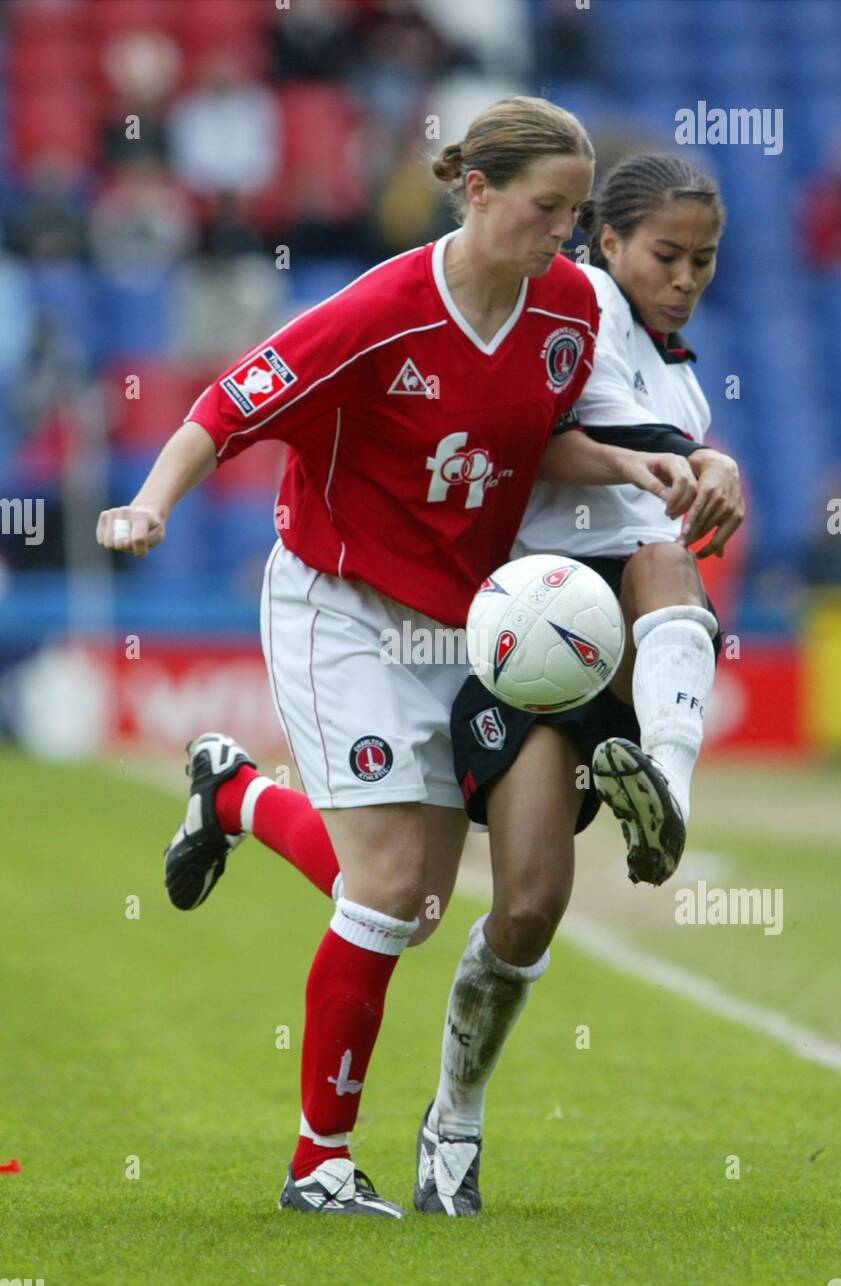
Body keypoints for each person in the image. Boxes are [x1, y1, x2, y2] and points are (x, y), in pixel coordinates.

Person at [95, 98, 699, 1220]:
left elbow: (526, 436)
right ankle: (318, 1162)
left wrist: (630, 465)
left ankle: (234, 793)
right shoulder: (377, 311)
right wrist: (145, 505)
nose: (564, 237)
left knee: (411, 908)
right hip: (339, 600)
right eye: (544, 209)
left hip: (459, 619)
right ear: (474, 191)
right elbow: (222, 410)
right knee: (381, 891)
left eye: (575, 213)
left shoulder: (564, 306)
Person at [416, 152, 746, 1216]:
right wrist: (705, 462)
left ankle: (668, 799)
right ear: (605, 243)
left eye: (702, 260)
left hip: (627, 629)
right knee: (526, 907)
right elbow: (556, 433)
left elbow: (665, 473)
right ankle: (452, 1117)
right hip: (536, 627)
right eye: (666, 253)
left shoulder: (684, 376)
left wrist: (700, 460)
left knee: (660, 554)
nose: (685, 276)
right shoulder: (576, 305)